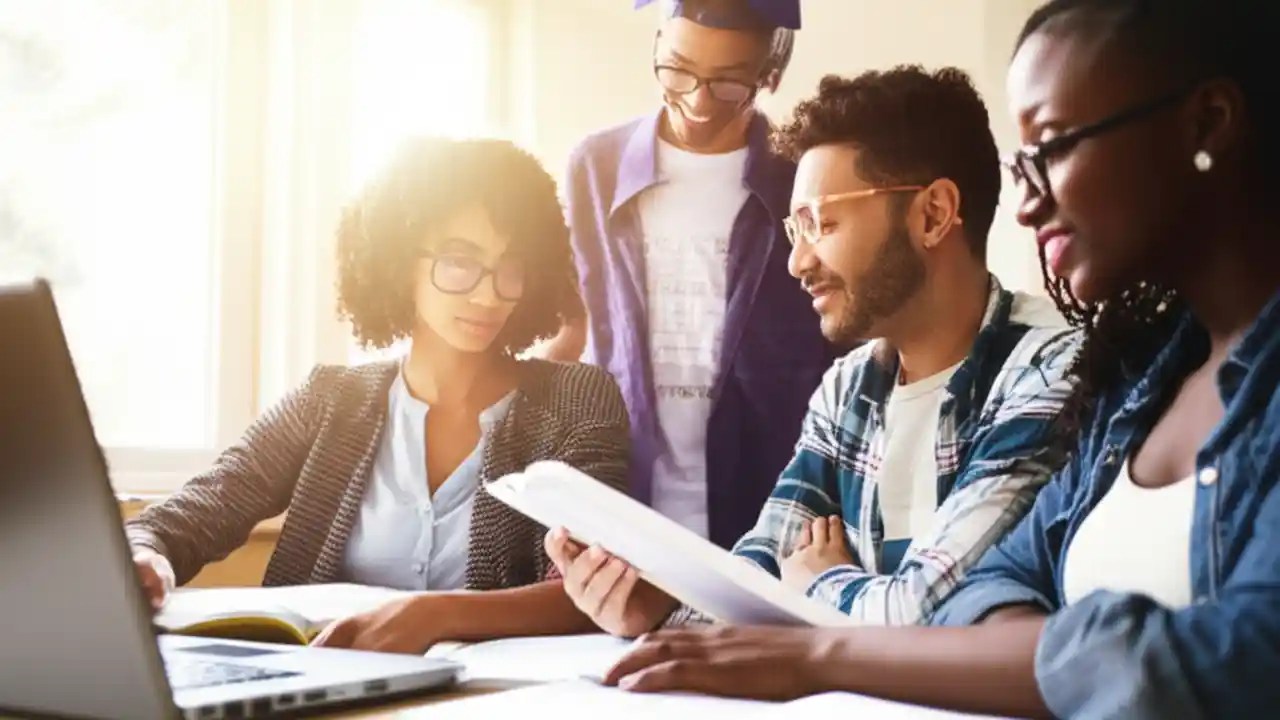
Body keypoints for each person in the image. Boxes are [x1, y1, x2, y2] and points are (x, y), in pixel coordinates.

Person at [596, 1, 1280, 717]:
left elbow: (1235, 657)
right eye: (1023, 163)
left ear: (1207, 124)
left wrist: (822, 621)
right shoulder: (1141, 383)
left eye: (1054, 145)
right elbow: (990, 591)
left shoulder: (1065, 368)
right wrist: (662, 606)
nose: (1025, 205)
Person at [548, 66, 1080, 633]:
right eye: (793, 229)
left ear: (934, 214)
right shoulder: (848, 386)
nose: (797, 263)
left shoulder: (1048, 371)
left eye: (820, 223)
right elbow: (756, 581)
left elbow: (923, 617)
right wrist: (651, 612)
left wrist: (819, 581)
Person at [126, 137, 630, 654]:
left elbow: (595, 586)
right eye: (459, 261)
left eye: (510, 267)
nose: (489, 294)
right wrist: (147, 556)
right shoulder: (329, 400)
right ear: (397, 260)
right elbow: (188, 515)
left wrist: (433, 616)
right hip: (324, 685)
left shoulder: (577, 399)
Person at [544, 0, 832, 548]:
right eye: (677, 70)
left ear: (768, 73)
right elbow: (575, 328)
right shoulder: (595, 168)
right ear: (656, 46)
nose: (698, 101)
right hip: (625, 498)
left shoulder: (796, 176)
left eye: (728, 83)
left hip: (768, 506)